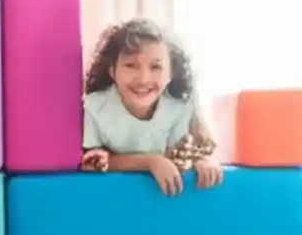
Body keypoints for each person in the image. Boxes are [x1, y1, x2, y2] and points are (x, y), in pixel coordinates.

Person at [79, 19, 222, 196]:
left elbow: (183, 156)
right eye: (131, 65)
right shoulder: (95, 107)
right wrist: (150, 162)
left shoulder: (179, 107)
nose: (143, 79)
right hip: (111, 194)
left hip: (157, 196)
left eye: (156, 67)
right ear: (112, 70)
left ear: (171, 74)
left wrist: (202, 162)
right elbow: (92, 163)